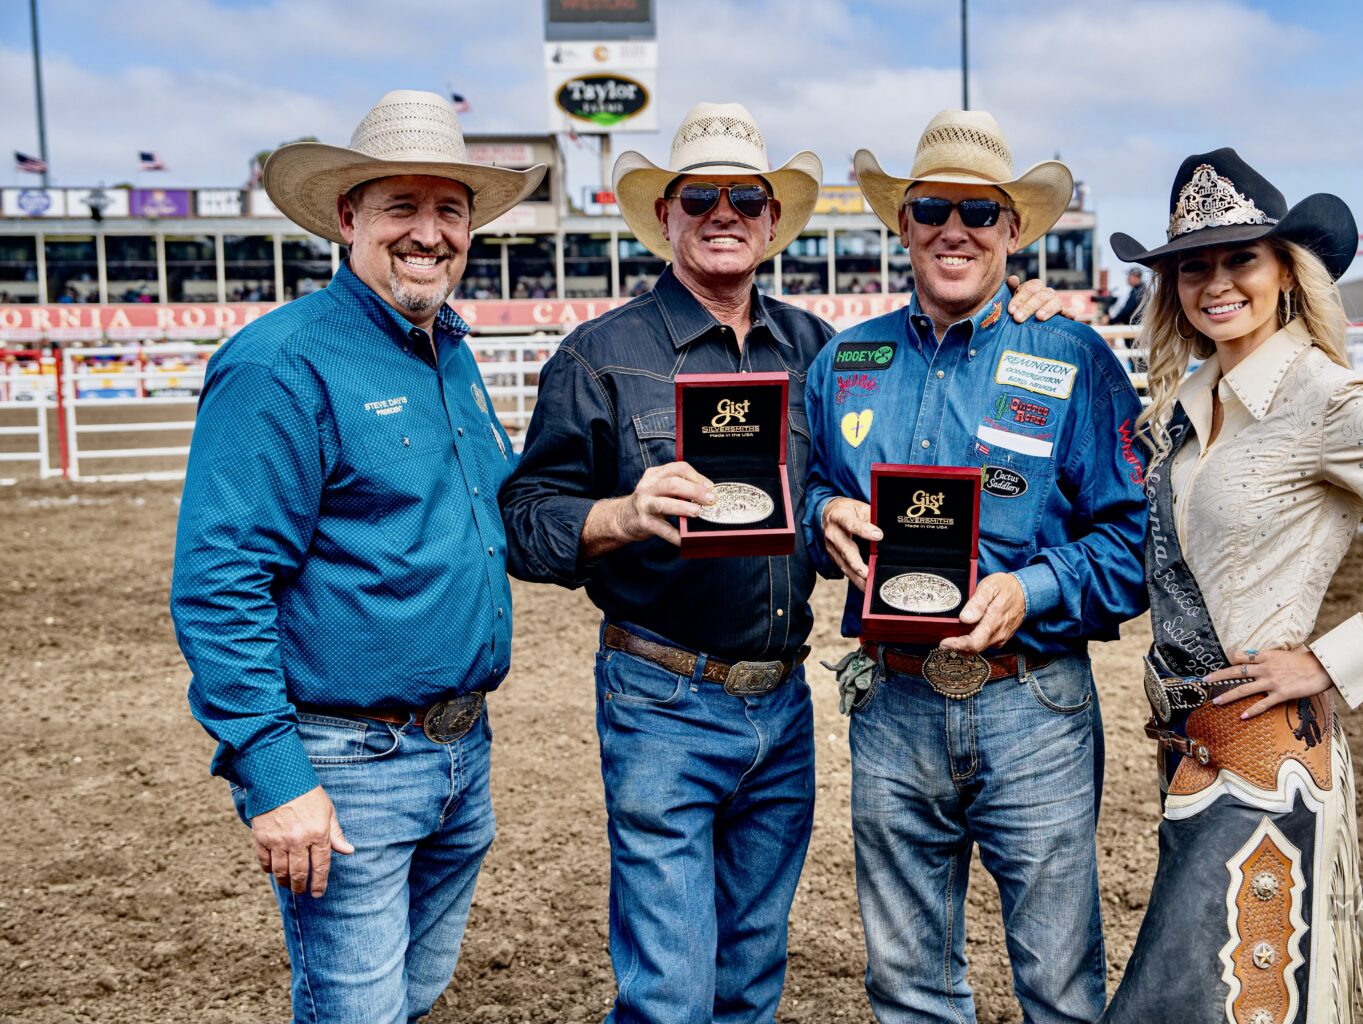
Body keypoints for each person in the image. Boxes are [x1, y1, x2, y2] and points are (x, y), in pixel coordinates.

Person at [500, 102, 1064, 1024]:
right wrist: (623, 513)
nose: (724, 212)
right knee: (671, 987)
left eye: (745, 197)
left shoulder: (821, 352)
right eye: (702, 197)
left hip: (783, 697)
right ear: (668, 216)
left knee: (753, 973)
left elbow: (850, 483)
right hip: (661, 695)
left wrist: (1023, 312)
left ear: (770, 219)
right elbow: (526, 523)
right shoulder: (598, 357)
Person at [1103, 149, 1363, 1024]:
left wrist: (1329, 658)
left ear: (1287, 269)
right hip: (1189, 747)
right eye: (1192, 265)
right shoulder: (1185, 401)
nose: (1217, 282)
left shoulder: (1328, 397)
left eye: (1240, 257)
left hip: (1265, 750)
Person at [170, 90, 544, 1023]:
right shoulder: (280, 364)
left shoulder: (446, 350)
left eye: (448, 209)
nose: (429, 233)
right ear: (349, 218)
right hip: (348, 760)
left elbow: (488, 514)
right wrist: (276, 771)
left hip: (459, 750)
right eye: (400, 208)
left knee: (408, 995)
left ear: (471, 227)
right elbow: (220, 582)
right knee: (359, 1009)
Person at [803, 109, 1149, 1024]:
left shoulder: (1072, 356)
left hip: (1032, 700)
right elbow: (783, 493)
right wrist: (817, 513)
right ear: (902, 222)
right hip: (892, 702)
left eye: (979, 212)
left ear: (1014, 230)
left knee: (1061, 984)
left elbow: (1134, 544)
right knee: (909, 986)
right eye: (931, 209)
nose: (953, 228)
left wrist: (1029, 588)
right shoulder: (844, 361)